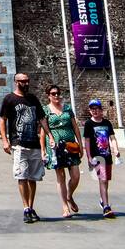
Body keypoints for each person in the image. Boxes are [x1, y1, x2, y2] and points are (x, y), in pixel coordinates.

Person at [0, 71, 52, 223]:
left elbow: (42, 118)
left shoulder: (33, 98)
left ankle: (31, 206)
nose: (26, 83)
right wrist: (5, 140)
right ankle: (25, 208)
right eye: (23, 81)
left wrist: (50, 136)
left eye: (27, 81)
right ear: (16, 82)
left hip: (34, 143)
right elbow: (2, 119)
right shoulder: (9, 99)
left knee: (33, 178)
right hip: (18, 143)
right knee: (21, 176)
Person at [42, 84, 83, 218]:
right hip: (54, 146)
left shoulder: (67, 109)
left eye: (58, 93)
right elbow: (43, 132)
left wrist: (80, 145)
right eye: (53, 93)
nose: (56, 96)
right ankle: (65, 206)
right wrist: (43, 150)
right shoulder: (46, 110)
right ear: (48, 95)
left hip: (70, 144)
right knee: (61, 177)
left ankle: (69, 195)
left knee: (76, 175)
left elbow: (75, 127)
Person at [83, 98, 121, 218]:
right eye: (92, 109)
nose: (94, 111)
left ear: (100, 110)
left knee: (106, 180)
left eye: (96, 109)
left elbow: (112, 138)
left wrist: (116, 150)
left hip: (107, 155)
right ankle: (106, 206)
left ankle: (102, 199)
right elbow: (87, 141)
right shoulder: (89, 124)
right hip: (97, 156)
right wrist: (88, 156)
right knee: (102, 179)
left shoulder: (106, 123)